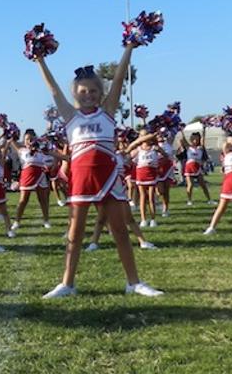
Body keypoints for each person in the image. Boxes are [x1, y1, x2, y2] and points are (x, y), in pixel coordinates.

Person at [30, 46, 163, 299]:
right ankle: (67, 283)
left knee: (120, 230)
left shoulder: (108, 111)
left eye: (93, 91)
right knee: (75, 232)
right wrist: (40, 61)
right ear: (75, 94)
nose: (88, 95)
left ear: (101, 94)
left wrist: (128, 50)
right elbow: (53, 89)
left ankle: (133, 282)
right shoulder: (69, 115)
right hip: (81, 179)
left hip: (109, 177)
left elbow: (120, 77)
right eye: (83, 92)